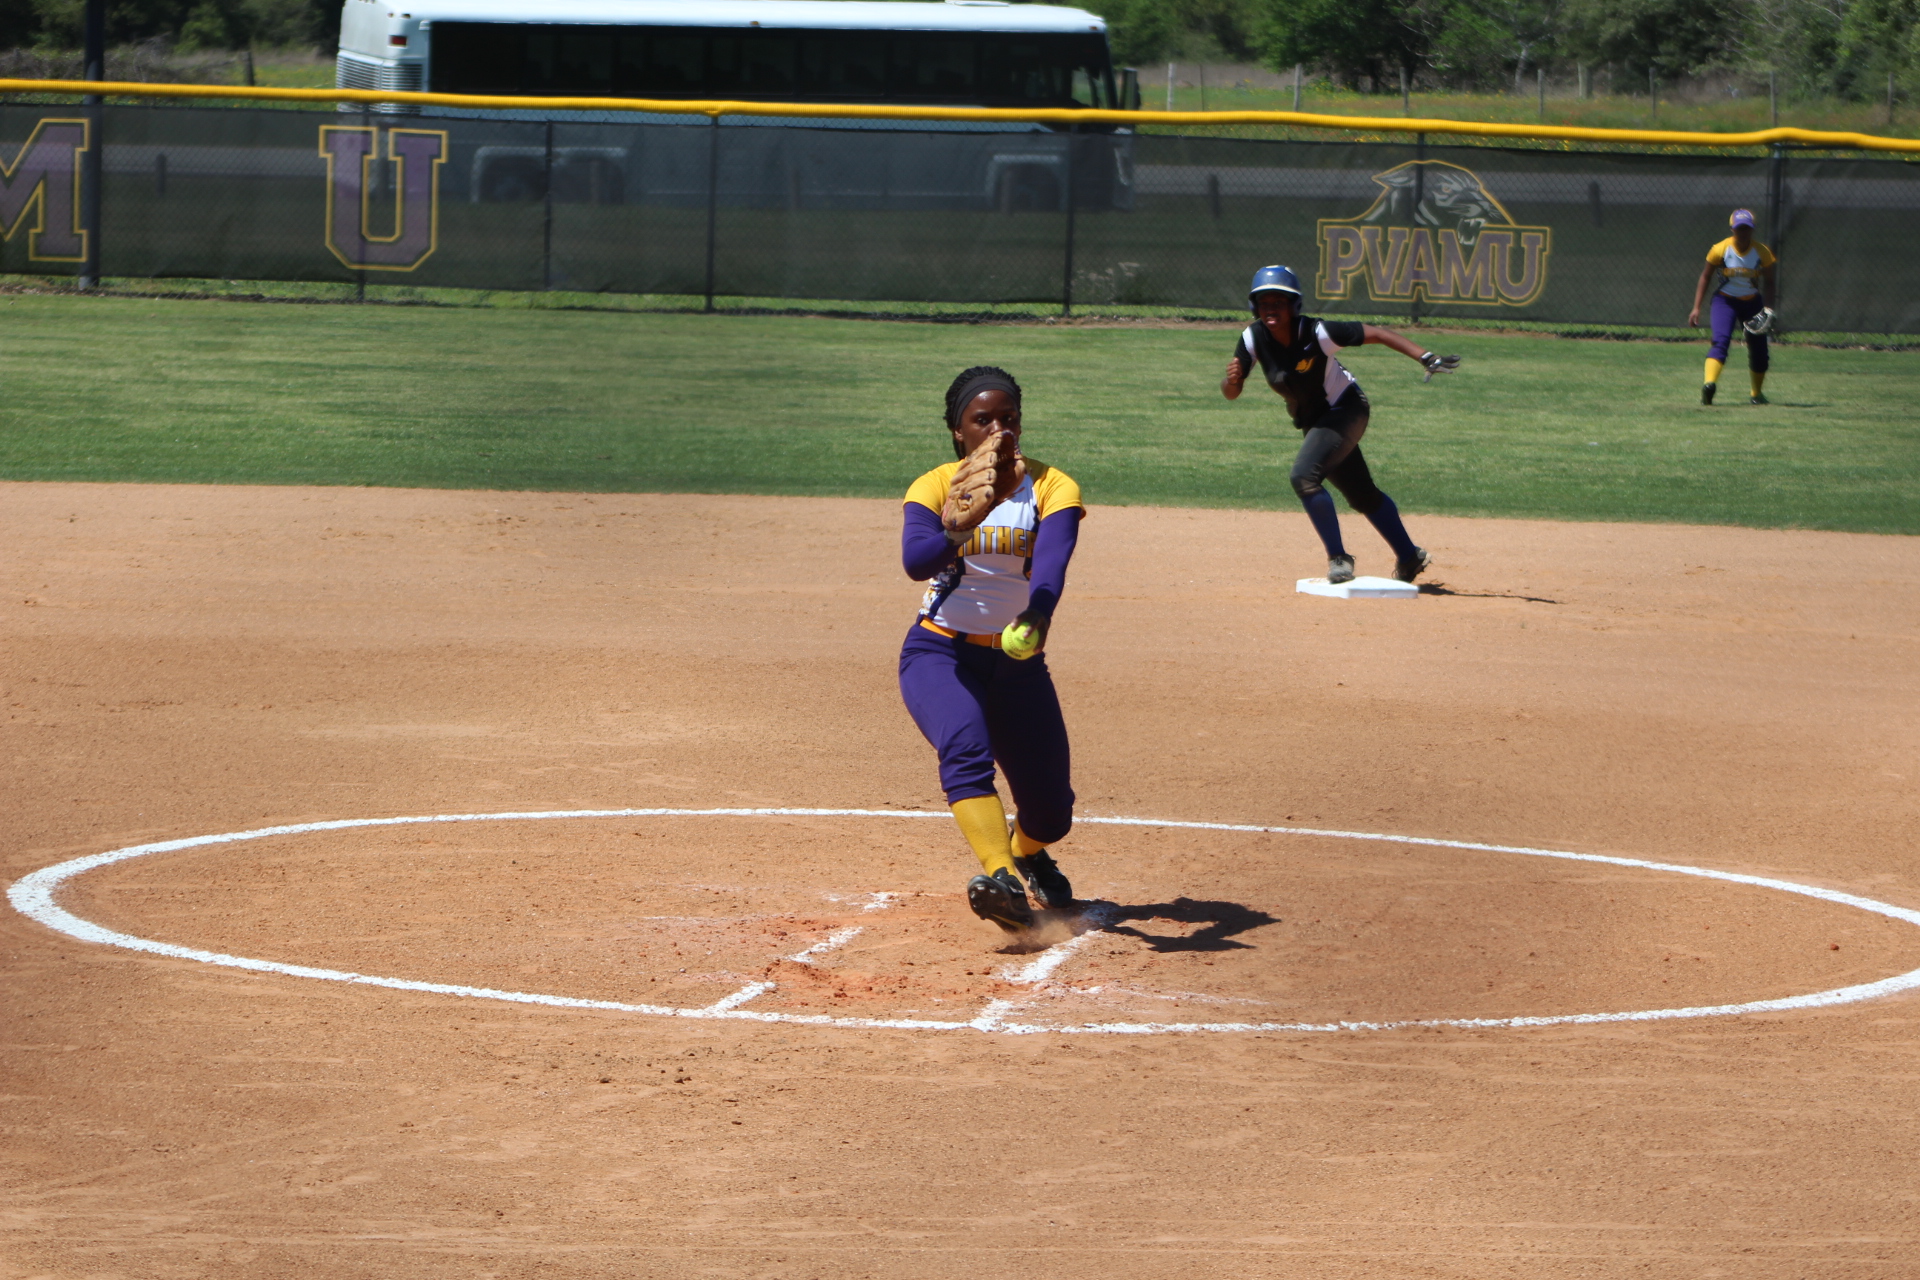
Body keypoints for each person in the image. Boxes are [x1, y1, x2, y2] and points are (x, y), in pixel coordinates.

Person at [897, 367, 1085, 933]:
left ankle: (1026, 851)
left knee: (1052, 812)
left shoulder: (1054, 487)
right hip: (939, 654)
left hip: (1017, 665)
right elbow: (915, 562)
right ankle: (1001, 878)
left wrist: (1039, 613)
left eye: (1008, 418)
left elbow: (1052, 564)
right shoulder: (934, 486)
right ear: (960, 431)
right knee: (966, 750)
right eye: (983, 420)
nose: (999, 429)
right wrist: (958, 528)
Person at [1221, 264, 1458, 585]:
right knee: (1361, 495)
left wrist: (1425, 356)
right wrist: (1231, 379)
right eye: (1264, 302)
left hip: (1346, 409)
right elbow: (1231, 393)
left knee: (1304, 477)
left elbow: (1376, 333)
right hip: (1316, 422)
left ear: (1293, 305)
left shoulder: (1317, 333)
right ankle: (1409, 556)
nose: (1271, 308)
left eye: (1279, 301)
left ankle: (1339, 558)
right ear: (1255, 306)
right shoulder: (1252, 338)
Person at [1689, 208, 1778, 406]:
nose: (1743, 233)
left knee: (1759, 349)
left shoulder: (1762, 252)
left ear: (1752, 230)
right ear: (1732, 229)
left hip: (1752, 302)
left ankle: (1756, 394)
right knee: (1720, 341)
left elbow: (1770, 282)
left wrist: (1768, 309)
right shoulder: (1720, 250)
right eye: (1739, 228)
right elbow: (1706, 276)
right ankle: (1709, 385)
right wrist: (1696, 308)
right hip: (1725, 301)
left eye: (1746, 228)